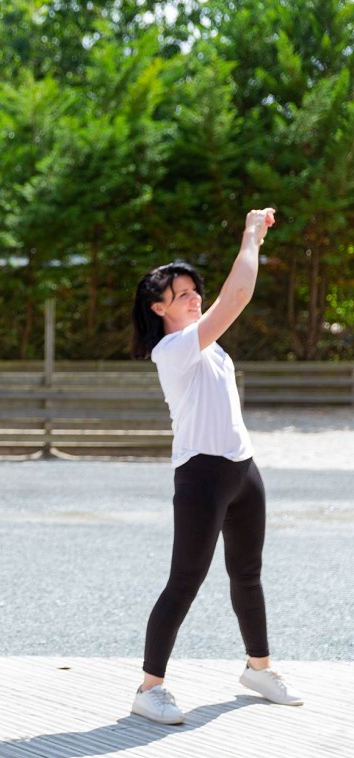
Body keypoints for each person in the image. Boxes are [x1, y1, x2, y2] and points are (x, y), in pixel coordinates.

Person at [128, 207, 303, 725]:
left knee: (247, 573)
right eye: (182, 294)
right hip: (202, 476)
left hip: (243, 470)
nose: (194, 297)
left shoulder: (209, 347)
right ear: (160, 307)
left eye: (193, 290)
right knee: (185, 580)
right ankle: (149, 687)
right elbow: (239, 296)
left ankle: (259, 668)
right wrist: (250, 233)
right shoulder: (174, 349)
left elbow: (225, 306)